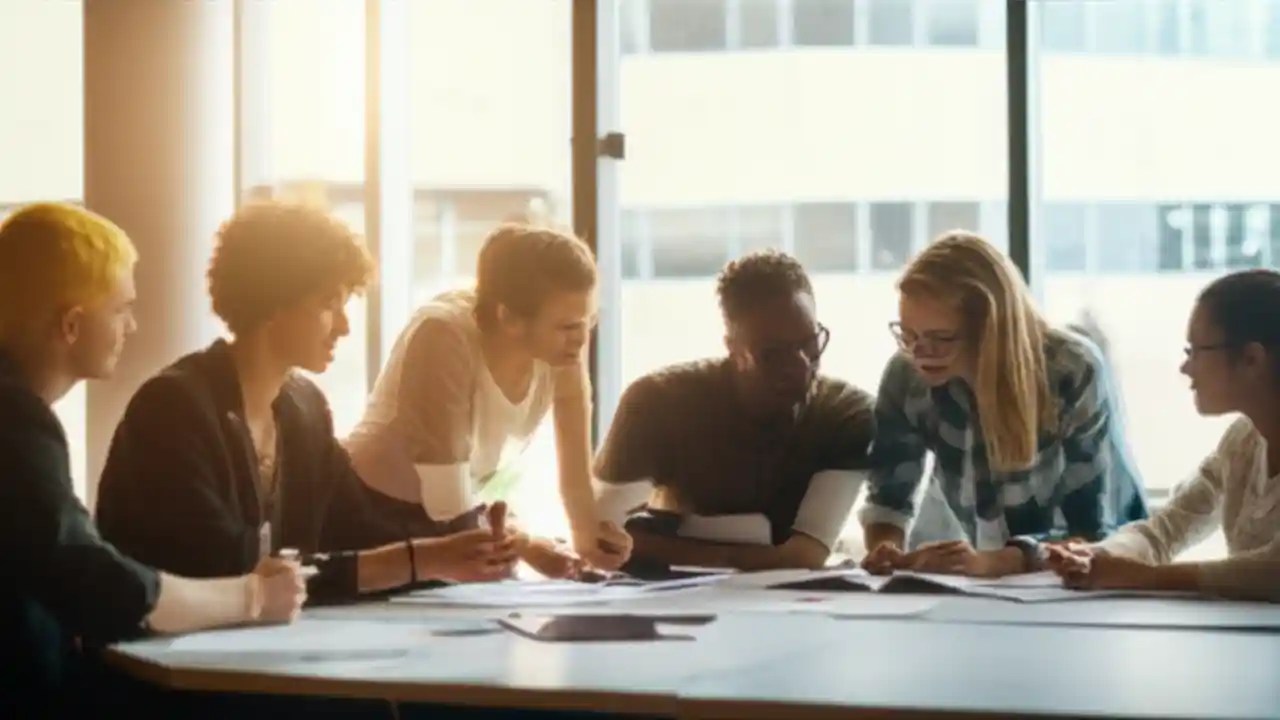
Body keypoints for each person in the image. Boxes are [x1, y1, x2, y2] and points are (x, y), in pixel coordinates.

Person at [96, 202, 518, 603]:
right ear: (273, 301)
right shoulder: (174, 408)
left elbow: (358, 527)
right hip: (157, 650)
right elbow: (227, 567)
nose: (344, 326)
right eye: (329, 304)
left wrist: (470, 543)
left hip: (250, 644)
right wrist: (422, 558)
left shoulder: (303, 408)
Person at [0, 203, 305, 716]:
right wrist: (253, 597)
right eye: (121, 309)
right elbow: (91, 579)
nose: (133, 325)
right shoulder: (15, 420)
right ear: (71, 325)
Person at [345, 224, 632, 576]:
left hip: (457, 525)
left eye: (589, 321)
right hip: (370, 518)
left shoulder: (560, 351)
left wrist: (593, 544)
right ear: (508, 318)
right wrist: (527, 545)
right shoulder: (443, 336)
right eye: (568, 326)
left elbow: (576, 483)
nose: (582, 338)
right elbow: (447, 502)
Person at [861, 231, 1148, 578]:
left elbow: (1093, 530)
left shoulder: (1071, 369)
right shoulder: (906, 374)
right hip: (994, 584)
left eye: (941, 338)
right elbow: (887, 499)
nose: (919, 352)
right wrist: (887, 551)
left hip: (1102, 577)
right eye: (907, 334)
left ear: (991, 329)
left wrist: (993, 562)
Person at [593, 250, 875, 572]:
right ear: (733, 349)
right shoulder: (658, 403)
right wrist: (755, 557)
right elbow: (601, 537)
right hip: (675, 594)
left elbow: (804, 557)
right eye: (773, 354)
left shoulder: (846, 415)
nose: (801, 367)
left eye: (810, 344)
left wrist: (657, 547)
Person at [1049, 269, 1280, 602]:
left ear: (1251, 359)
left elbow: (1273, 570)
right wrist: (1099, 555)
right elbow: (1167, 528)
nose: (1185, 368)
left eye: (1195, 351)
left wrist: (1147, 578)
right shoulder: (1242, 441)